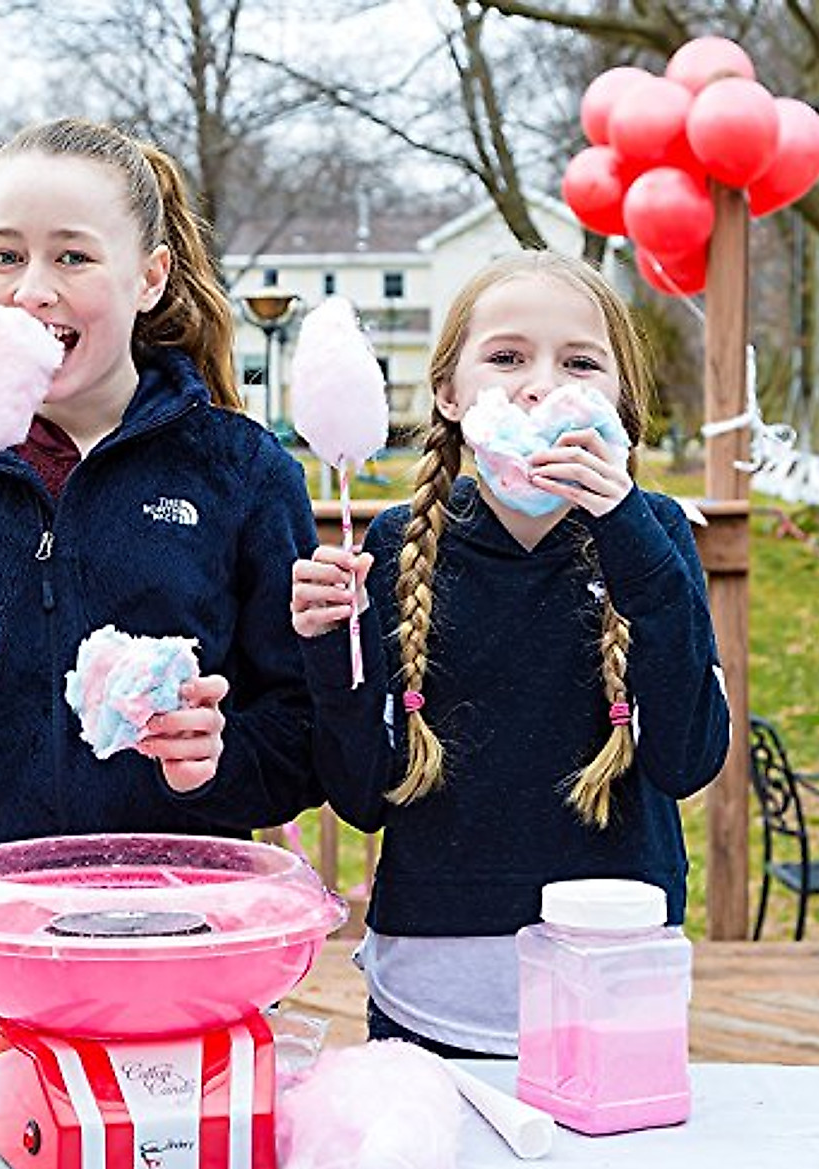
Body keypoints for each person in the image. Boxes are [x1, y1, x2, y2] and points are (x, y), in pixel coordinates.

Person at [0, 117, 321, 1055]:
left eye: (73, 256)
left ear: (151, 277)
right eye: (5, 256)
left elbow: (303, 741)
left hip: (187, 973)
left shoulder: (241, 474)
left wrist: (217, 754)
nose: (33, 289)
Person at [291, 250, 730, 1059]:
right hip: (431, 988)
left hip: (613, 978)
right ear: (449, 395)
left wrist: (630, 535)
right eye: (506, 357)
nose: (540, 385)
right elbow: (360, 796)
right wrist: (328, 648)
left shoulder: (656, 535)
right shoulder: (394, 544)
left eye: (579, 364)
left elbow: (688, 758)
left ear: (621, 402)